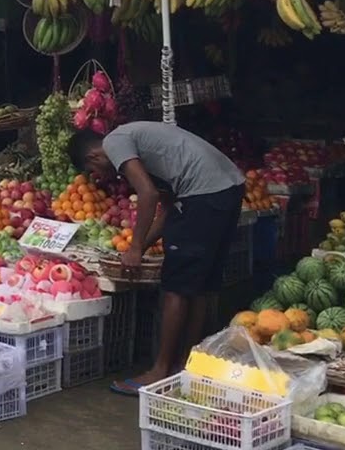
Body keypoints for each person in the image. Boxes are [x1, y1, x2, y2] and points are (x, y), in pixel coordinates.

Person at [67, 122, 244, 396]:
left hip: (203, 194)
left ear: (94, 157)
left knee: (175, 287)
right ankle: (186, 364)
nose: (99, 176)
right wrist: (141, 247)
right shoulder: (142, 147)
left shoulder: (114, 142)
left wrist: (136, 246)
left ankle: (159, 370)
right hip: (229, 188)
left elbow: (147, 194)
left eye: (93, 171)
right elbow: (169, 207)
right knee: (200, 286)